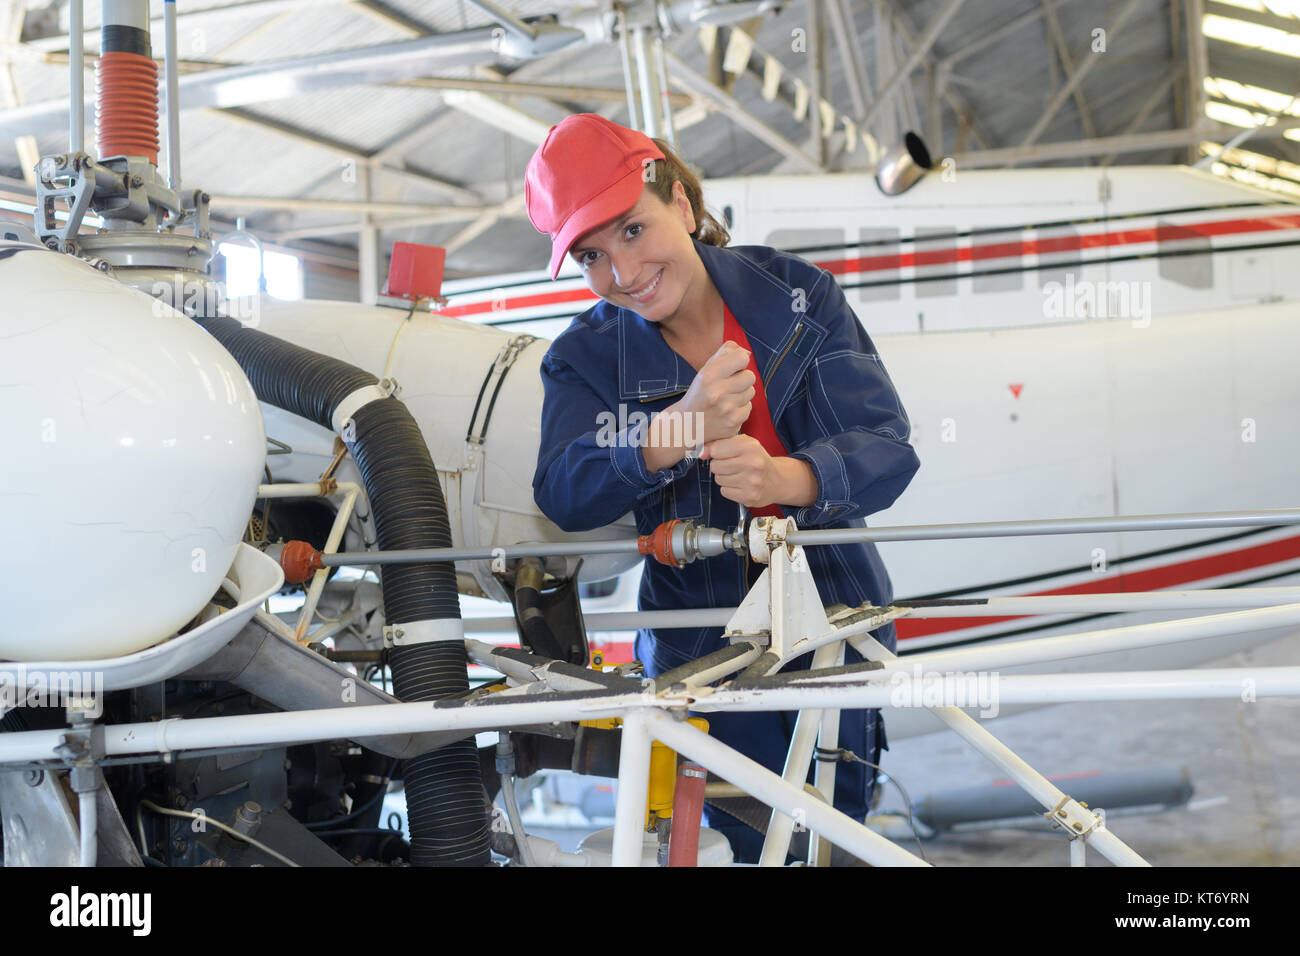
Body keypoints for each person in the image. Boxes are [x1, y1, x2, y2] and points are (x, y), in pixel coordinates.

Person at [526, 114, 920, 862]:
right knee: (736, 843)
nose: (623, 272)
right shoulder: (582, 357)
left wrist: (786, 478)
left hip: (841, 625)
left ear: (680, 202)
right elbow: (563, 492)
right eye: (592, 255)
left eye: (633, 231)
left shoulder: (799, 296)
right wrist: (675, 428)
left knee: (839, 836)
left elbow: (887, 448)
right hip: (701, 656)